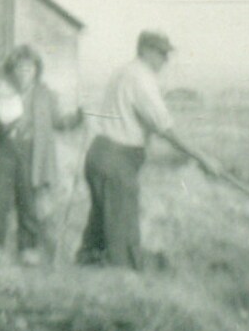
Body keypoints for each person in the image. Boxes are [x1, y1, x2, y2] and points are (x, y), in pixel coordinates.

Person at [77, 31, 200, 270]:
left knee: (101, 224)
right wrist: (201, 157)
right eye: (161, 53)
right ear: (144, 50)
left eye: (167, 54)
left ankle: (87, 269)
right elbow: (163, 126)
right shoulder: (140, 78)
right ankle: (124, 279)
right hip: (117, 158)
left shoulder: (124, 71)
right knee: (122, 233)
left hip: (101, 154)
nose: (165, 60)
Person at [0, 45, 60, 262]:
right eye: (19, 68)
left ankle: (28, 250)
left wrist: (77, 119)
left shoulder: (46, 95)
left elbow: (57, 120)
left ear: (37, 71)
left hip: (32, 153)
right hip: (3, 150)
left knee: (29, 201)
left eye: (29, 69)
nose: (23, 73)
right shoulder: (2, 89)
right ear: (11, 70)